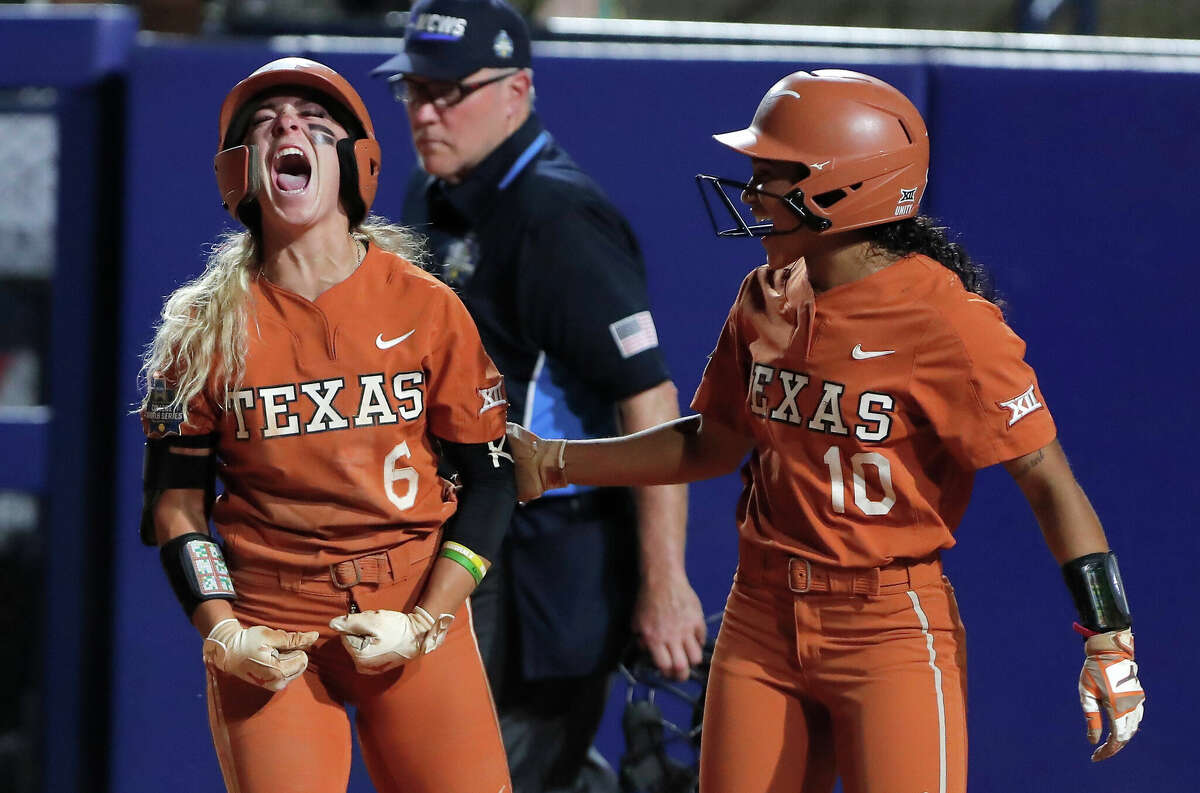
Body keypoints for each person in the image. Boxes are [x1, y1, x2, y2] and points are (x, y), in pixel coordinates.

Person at [507, 69, 1146, 793]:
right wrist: (558, 460)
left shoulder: (946, 322)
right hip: (761, 613)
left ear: (845, 187)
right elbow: (713, 440)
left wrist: (1109, 635)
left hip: (889, 624)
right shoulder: (766, 294)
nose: (749, 195)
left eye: (769, 175)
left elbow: (1045, 476)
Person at [138, 57, 515, 793]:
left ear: (354, 162)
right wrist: (222, 629)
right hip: (270, 624)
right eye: (265, 124)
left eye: (314, 123)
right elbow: (176, 503)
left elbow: (492, 477)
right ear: (240, 170)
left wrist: (427, 622)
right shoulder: (201, 331)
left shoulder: (427, 307)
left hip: (408, 606)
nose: (287, 127)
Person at [371, 2, 708, 791]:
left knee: (489, 770)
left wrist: (664, 583)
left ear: (518, 90)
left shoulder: (558, 217)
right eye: (415, 90)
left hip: (554, 557)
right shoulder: (436, 190)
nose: (425, 111)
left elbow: (650, 398)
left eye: (449, 93)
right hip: (468, 536)